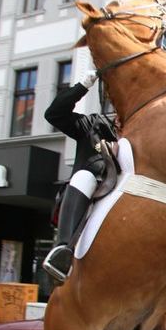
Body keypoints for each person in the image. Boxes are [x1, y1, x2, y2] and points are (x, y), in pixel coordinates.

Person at [43, 70, 118, 282]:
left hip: (132, 189)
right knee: (83, 177)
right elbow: (54, 114)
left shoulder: (142, 131)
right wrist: (83, 85)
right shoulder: (93, 125)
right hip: (95, 188)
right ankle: (63, 250)